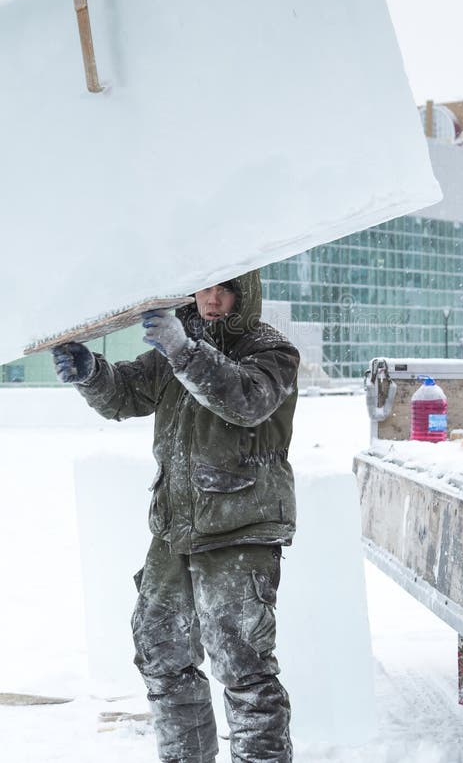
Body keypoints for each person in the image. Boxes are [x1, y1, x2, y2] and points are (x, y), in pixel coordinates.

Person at [52, 270, 299, 763]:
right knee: (161, 652)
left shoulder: (270, 350)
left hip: (239, 528)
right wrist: (91, 374)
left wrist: (184, 351)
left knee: (242, 666)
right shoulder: (175, 348)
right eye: (204, 289)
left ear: (244, 294)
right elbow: (125, 393)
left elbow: (245, 401)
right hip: (174, 530)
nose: (212, 300)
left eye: (224, 290)